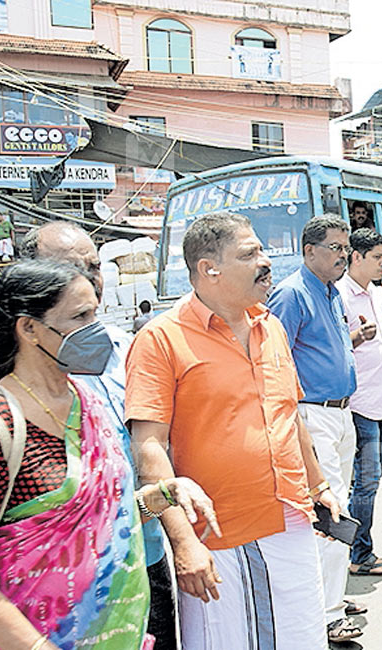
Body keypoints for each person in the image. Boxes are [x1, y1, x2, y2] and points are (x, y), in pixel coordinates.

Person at [0, 260, 219, 650]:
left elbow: (104, 522)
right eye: (80, 317)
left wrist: (164, 494)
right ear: (29, 328)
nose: (96, 329)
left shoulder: (87, 403)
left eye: (95, 314)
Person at [126, 212, 343, 650]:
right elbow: (149, 446)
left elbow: (289, 414)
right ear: (209, 269)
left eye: (262, 250)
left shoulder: (271, 326)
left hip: (292, 521)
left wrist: (318, 486)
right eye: (250, 254)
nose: (266, 261)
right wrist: (183, 542)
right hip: (219, 535)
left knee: (303, 638)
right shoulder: (161, 339)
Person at [266, 214, 363, 643]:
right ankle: (326, 614)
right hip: (312, 415)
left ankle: (332, 596)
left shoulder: (331, 291)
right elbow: (275, 360)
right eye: (335, 248)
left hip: (341, 413)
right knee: (330, 508)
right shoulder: (292, 294)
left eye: (346, 248)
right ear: (309, 251)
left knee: (339, 505)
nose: (344, 256)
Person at [340, 228, 382, 578]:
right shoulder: (339, 295)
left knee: (371, 479)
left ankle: (355, 550)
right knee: (365, 481)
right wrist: (356, 337)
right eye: (377, 257)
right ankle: (359, 554)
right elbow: (330, 347)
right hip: (359, 403)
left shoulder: (378, 295)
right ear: (356, 257)